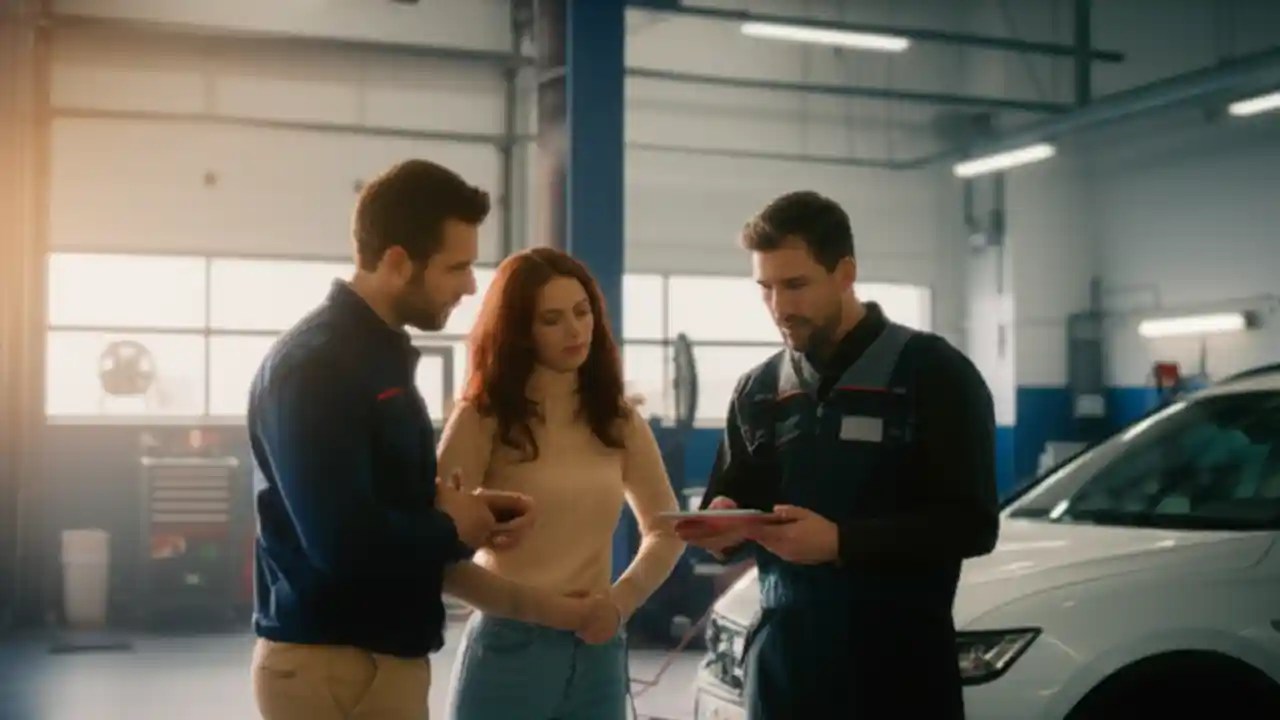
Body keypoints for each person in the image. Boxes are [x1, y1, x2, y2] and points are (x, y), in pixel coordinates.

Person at [248, 159, 590, 720]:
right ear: (398, 263)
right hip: (336, 666)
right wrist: (452, 528)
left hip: (373, 660)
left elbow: (373, 498)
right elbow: (341, 544)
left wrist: (471, 514)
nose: (471, 285)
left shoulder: (376, 358)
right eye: (456, 267)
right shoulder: (318, 367)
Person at [676, 191, 1000, 719]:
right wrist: (721, 527)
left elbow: (972, 524)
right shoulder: (757, 390)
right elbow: (733, 500)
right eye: (766, 288)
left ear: (845, 272)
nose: (779, 307)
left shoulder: (933, 374)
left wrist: (841, 542)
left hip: (898, 672)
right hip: (783, 672)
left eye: (796, 285)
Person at [437, 246, 686, 720]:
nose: (575, 330)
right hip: (510, 646)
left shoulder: (618, 419)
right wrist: (552, 612)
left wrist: (620, 602)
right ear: (520, 332)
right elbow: (440, 558)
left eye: (582, 311)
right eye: (551, 319)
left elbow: (667, 528)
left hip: (598, 646)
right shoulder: (482, 417)